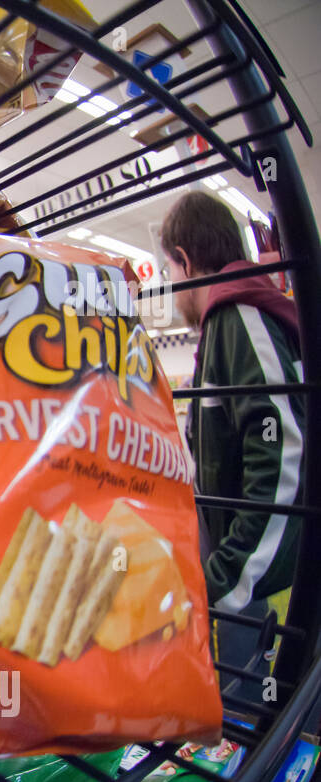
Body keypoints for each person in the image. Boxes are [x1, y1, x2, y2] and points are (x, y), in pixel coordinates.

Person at [159, 190, 304, 701]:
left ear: (183, 260)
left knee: (266, 722)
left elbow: (284, 450)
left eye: (170, 272)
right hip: (254, 583)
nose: (172, 287)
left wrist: (221, 579)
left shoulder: (239, 317)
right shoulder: (227, 324)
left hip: (270, 590)